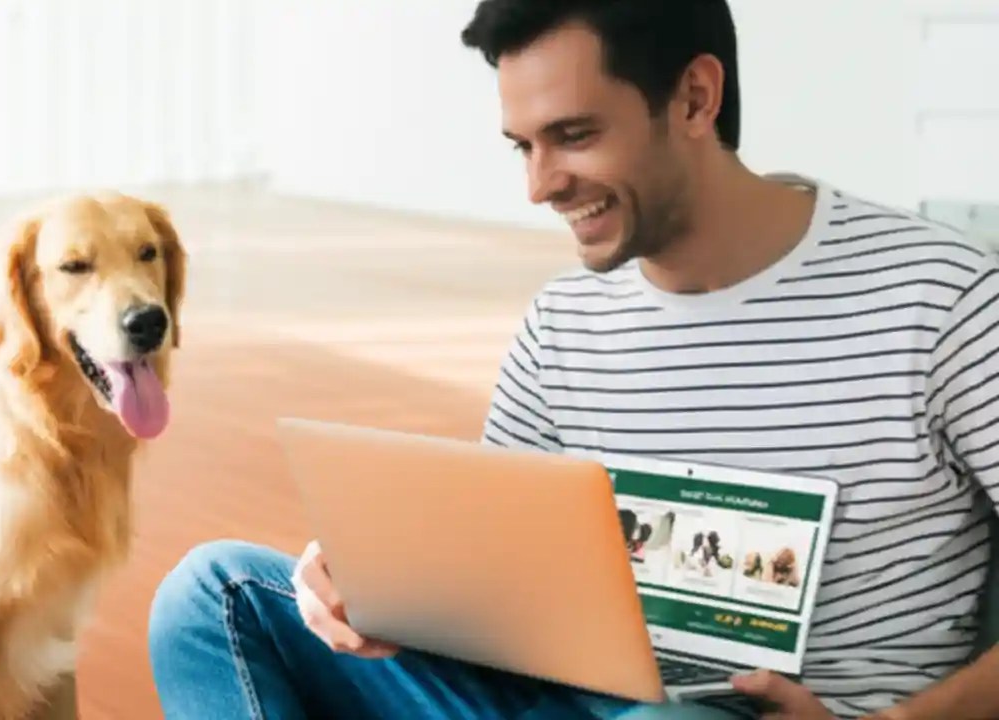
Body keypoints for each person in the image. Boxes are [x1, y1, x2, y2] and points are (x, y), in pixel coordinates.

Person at [147, 1, 999, 718]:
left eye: (575, 135)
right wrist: (373, 586)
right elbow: (491, 576)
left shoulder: (943, 299)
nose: (540, 184)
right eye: (523, 145)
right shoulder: (564, 320)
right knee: (210, 596)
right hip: (566, 700)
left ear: (696, 98)